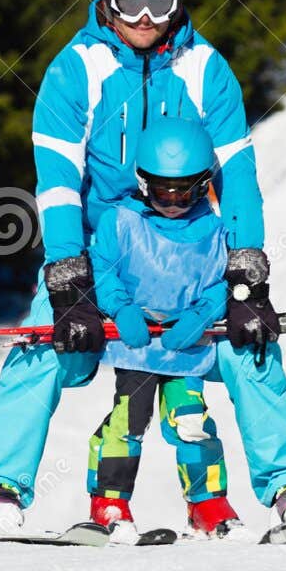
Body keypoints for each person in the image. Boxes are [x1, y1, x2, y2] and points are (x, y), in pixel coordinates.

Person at [0, 0, 286, 536]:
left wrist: (245, 277)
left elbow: (238, 177)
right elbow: (58, 183)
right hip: (103, 255)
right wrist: (69, 279)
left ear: (179, 3)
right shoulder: (77, 70)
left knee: (250, 346)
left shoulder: (205, 69)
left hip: (188, 251)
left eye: (161, 3)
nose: (146, 18)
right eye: (131, 2)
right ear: (107, 0)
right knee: (41, 345)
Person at [87, 117, 244, 540]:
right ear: (143, 182)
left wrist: (202, 315)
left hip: (185, 345)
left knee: (190, 421)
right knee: (129, 419)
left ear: (203, 185)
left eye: (184, 192)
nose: (173, 202)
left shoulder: (211, 229)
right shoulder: (120, 221)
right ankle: (109, 503)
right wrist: (120, 309)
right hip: (135, 344)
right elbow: (102, 268)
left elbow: (220, 282)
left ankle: (207, 505)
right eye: (162, 191)